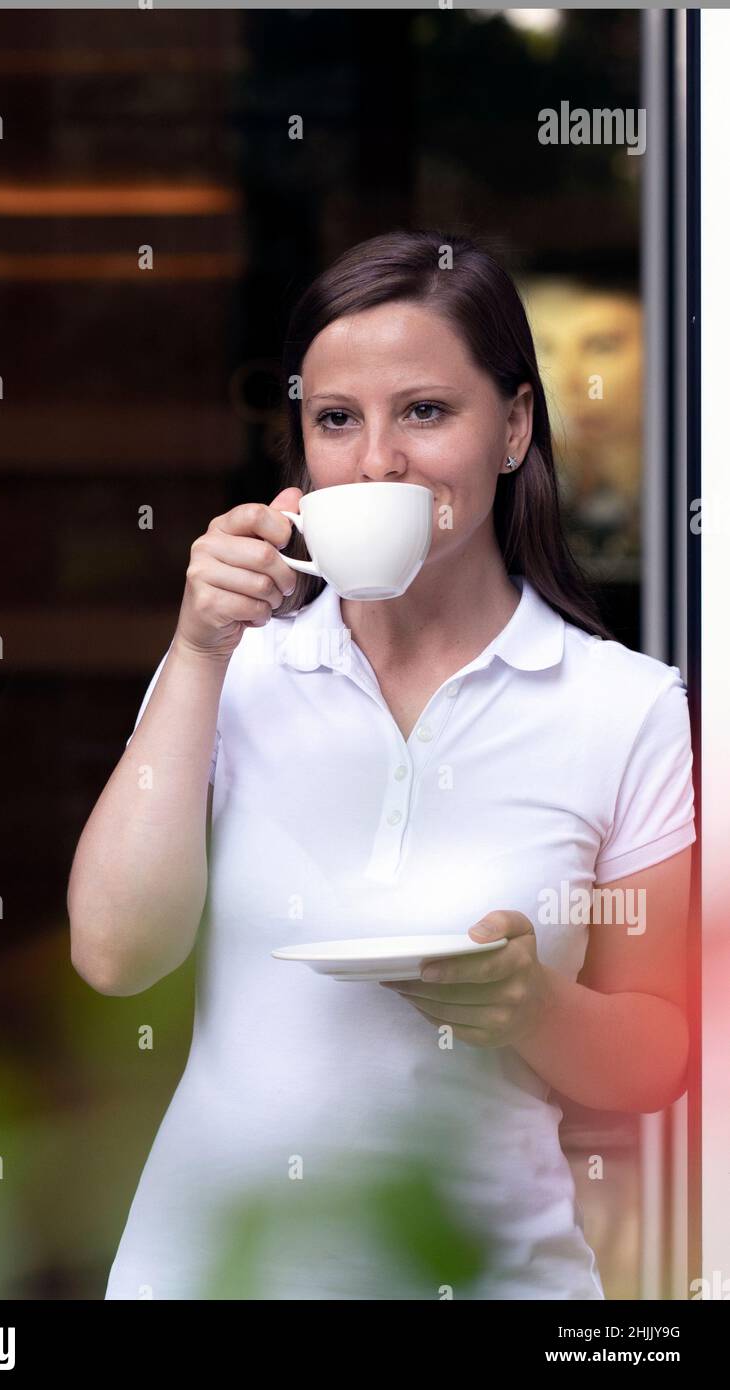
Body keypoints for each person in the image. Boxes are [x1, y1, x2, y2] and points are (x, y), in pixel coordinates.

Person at [68, 229, 696, 1300]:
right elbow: (118, 953)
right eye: (335, 421)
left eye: (424, 411)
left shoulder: (624, 706)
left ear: (512, 427)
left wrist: (529, 1005)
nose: (376, 462)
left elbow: (659, 1056)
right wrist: (193, 648)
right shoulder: (231, 671)